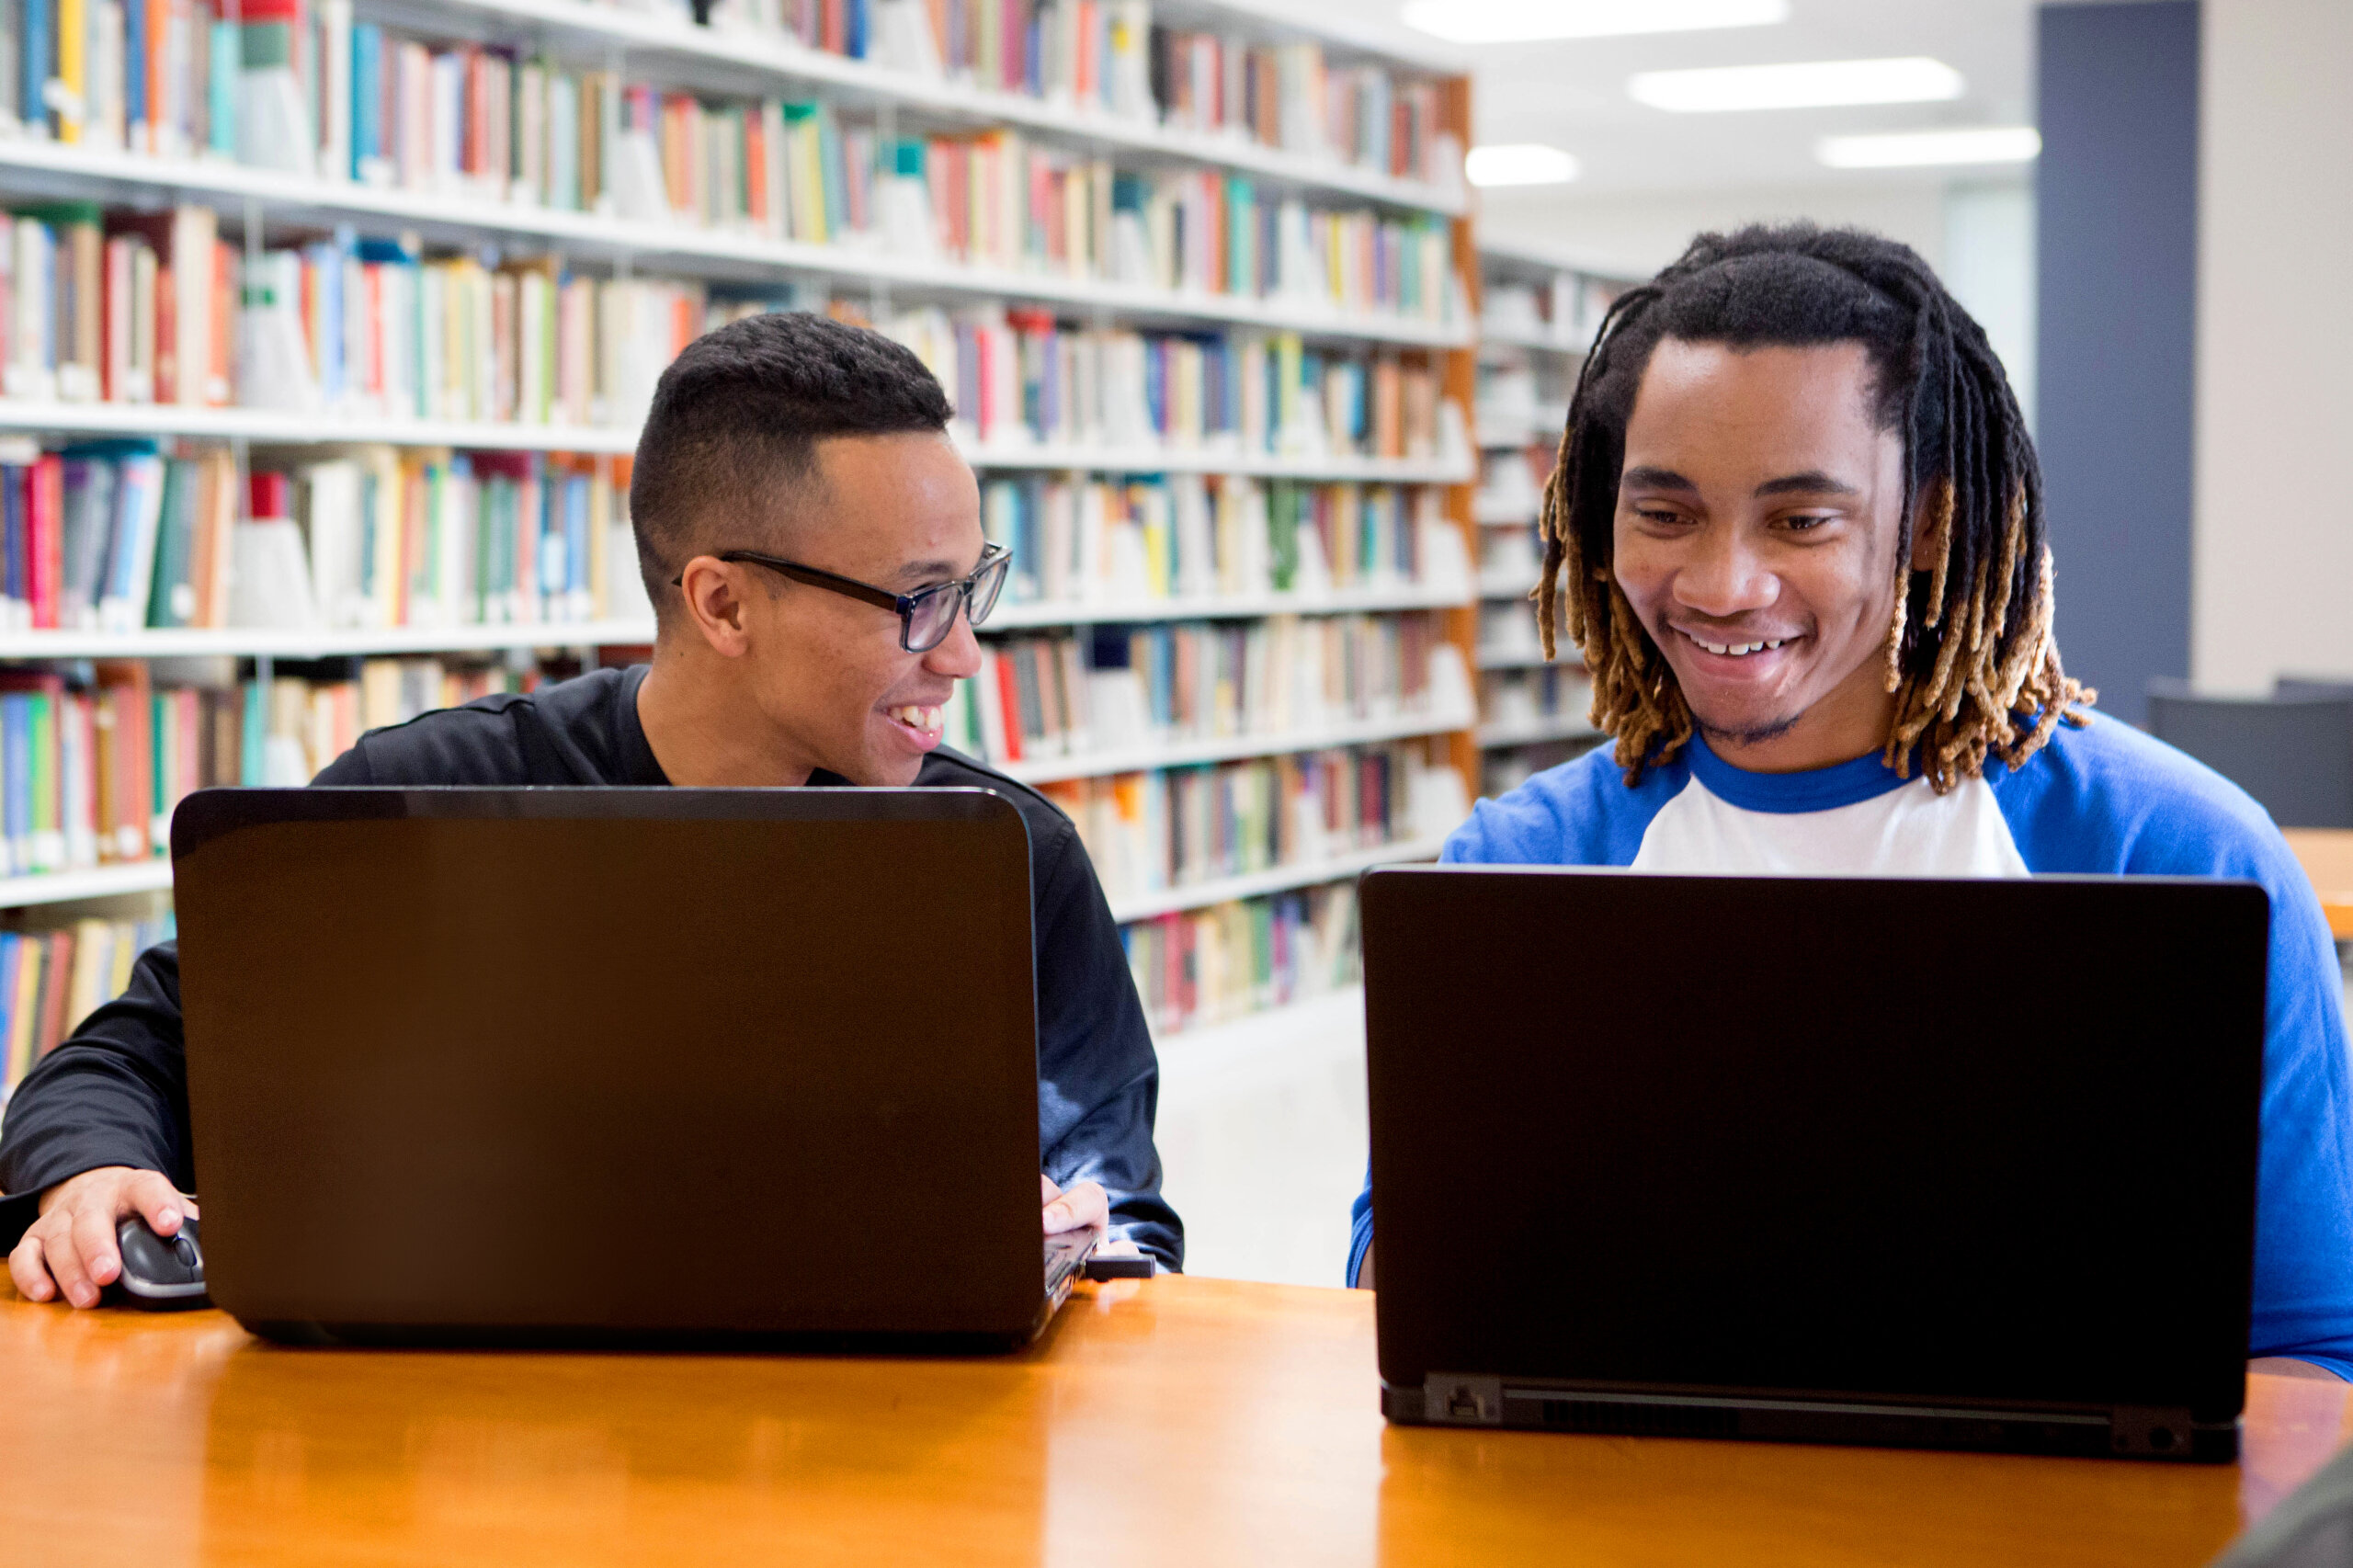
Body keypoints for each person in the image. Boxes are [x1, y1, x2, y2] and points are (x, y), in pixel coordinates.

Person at [2, 311, 1182, 1307]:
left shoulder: (1012, 857)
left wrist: (1089, 1235)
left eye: (972, 586)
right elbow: (121, 1062)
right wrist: (94, 1171)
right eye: (921, 599)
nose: (966, 653)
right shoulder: (415, 813)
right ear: (721, 602)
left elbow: (1123, 1211)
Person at [1346, 223, 2353, 1380]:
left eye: (1800, 519)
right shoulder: (1515, 867)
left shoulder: (2177, 853)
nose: (1723, 585)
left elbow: (2311, 1356)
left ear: (1925, 521)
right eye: (1664, 513)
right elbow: (1402, 1293)